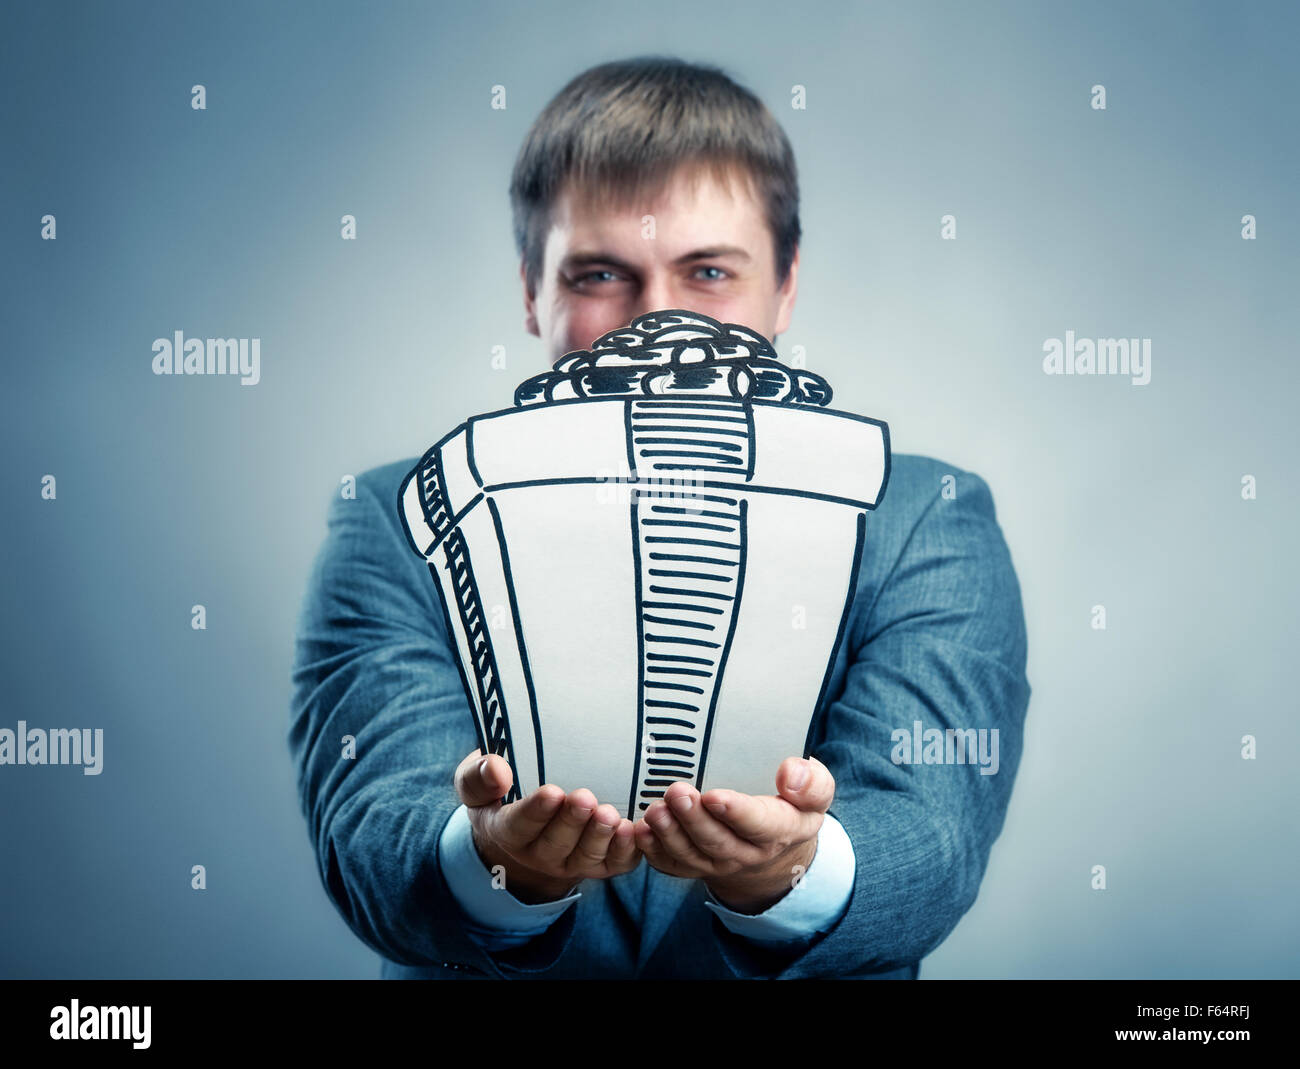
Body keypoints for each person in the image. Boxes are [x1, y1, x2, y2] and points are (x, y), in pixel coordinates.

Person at [289, 55, 1031, 980]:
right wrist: (490, 864)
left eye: (709, 270)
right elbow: (371, 830)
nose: (661, 324)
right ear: (532, 291)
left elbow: (932, 833)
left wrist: (791, 871)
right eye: (601, 273)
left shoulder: (924, 517)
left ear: (787, 284)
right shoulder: (396, 519)